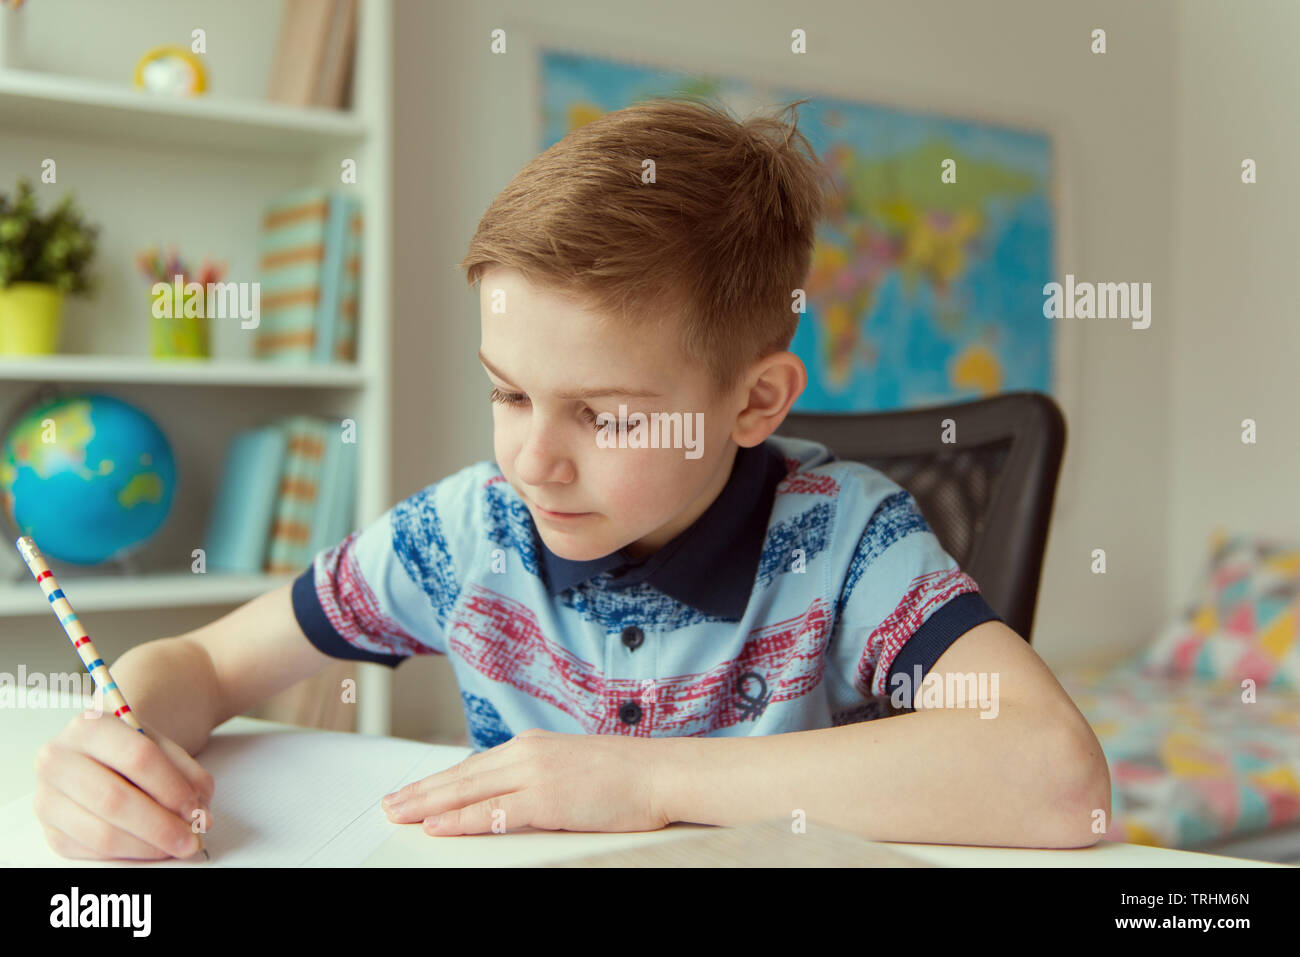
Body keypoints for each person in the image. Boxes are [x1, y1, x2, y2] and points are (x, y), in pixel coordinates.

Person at [33, 97, 1109, 860]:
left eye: (605, 415)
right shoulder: (466, 534)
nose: (530, 461)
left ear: (756, 403)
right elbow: (208, 666)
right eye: (508, 394)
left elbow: (1054, 775)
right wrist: (113, 738)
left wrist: (638, 782)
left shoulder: (843, 543)